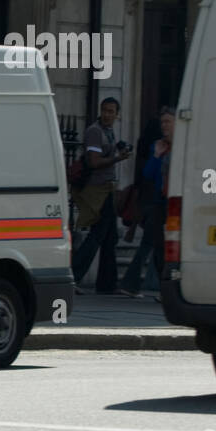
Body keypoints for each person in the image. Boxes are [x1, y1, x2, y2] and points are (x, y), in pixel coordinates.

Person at [71, 97, 131, 294]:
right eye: (105, 110)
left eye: (111, 111)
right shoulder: (95, 131)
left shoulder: (109, 132)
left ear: (117, 114)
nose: (107, 114)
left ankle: (107, 284)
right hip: (97, 190)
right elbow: (94, 162)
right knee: (98, 235)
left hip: (108, 189)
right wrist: (118, 158)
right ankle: (74, 276)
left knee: (110, 237)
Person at [118, 107, 174, 298]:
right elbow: (148, 174)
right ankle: (161, 288)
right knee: (156, 244)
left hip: (177, 201)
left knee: (162, 245)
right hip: (159, 201)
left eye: (168, 122)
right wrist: (157, 155)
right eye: (163, 122)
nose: (164, 126)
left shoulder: (184, 145)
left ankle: (157, 287)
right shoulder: (158, 145)